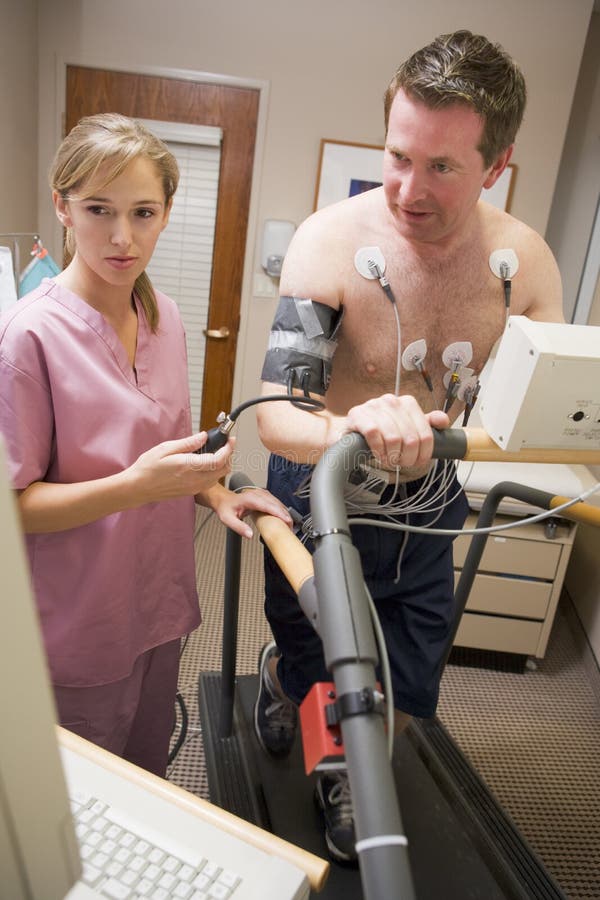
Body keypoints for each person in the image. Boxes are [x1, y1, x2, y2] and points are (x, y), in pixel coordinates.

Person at [254, 30, 565, 863]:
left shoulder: (526, 267)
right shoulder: (328, 243)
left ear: (497, 163)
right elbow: (279, 417)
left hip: (430, 504)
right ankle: (291, 695)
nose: (407, 188)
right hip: (320, 488)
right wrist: (354, 428)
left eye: (442, 167)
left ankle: (352, 765)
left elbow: (543, 410)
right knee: (320, 664)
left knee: (407, 678)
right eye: (397, 156)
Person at [0, 113, 291, 779]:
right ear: (62, 207)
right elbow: (14, 507)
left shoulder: (164, 318)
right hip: (79, 619)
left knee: (145, 770)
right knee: (85, 800)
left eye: (143, 212)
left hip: (156, 601)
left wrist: (216, 492)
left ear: (165, 213)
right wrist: (135, 488)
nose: (122, 237)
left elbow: (167, 449)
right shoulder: (27, 338)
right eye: (98, 209)